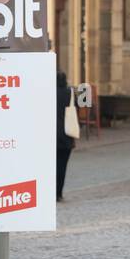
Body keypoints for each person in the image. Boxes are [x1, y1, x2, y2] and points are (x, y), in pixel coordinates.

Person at [55, 72, 76, 201]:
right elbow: (79, 107)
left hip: (51, 136)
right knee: (62, 166)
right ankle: (59, 193)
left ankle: (50, 191)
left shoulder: (49, 93)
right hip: (67, 135)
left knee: (51, 166)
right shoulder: (70, 93)